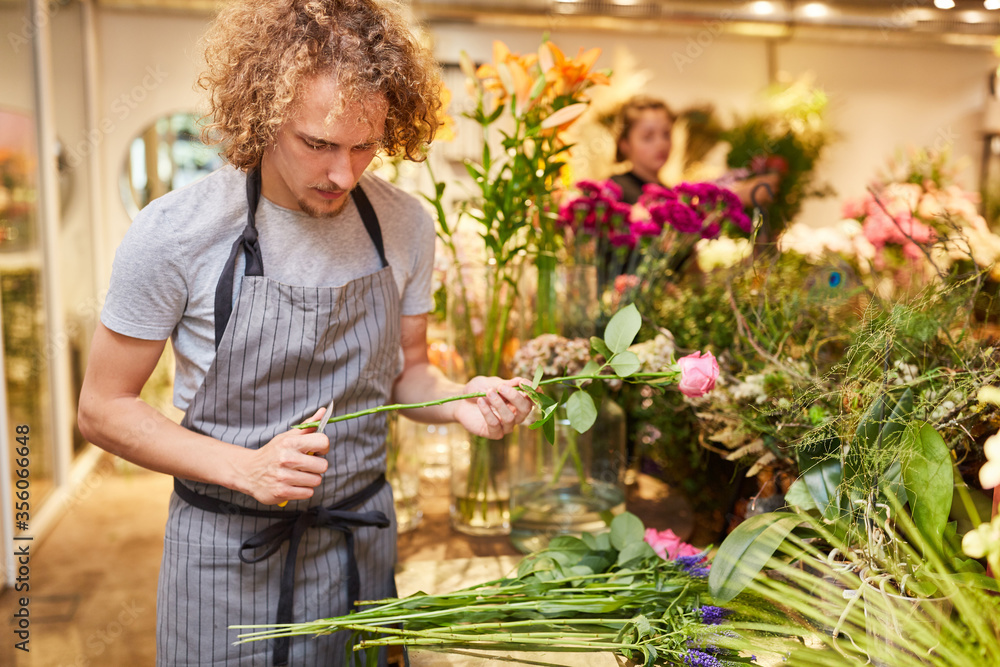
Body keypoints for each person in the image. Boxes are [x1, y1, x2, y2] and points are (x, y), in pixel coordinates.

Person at [77, 0, 531, 665]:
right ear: (261, 113)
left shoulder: (403, 225)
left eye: (365, 144)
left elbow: (409, 371)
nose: (344, 174)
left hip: (359, 549)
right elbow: (102, 407)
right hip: (227, 561)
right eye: (317, 143)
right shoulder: (177, 233)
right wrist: (246, 467)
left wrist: (460, 401)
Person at [610, 95, 779, 207]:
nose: (661, 144)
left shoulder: (668, 191)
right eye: (648, 137)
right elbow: (659, 219)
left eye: (666, 135)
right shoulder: (616, 189)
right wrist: (732, 198)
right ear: (625, 144)